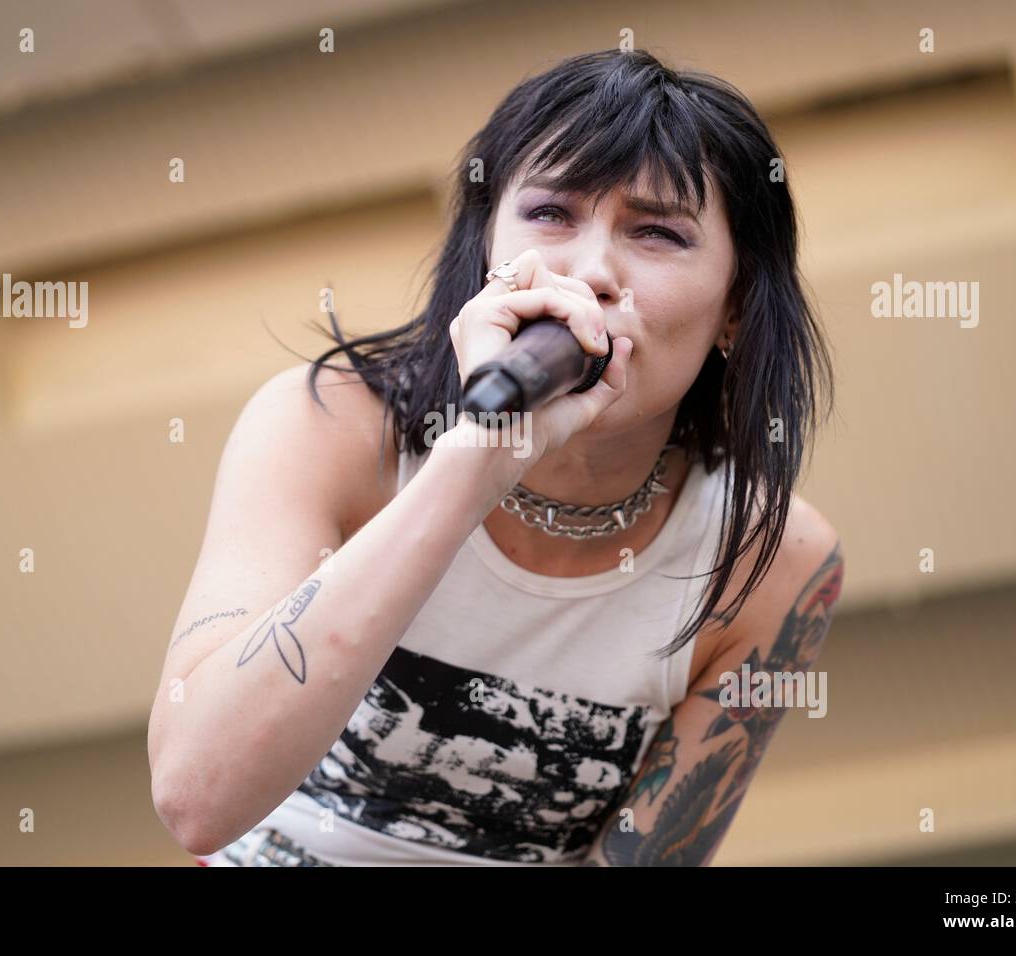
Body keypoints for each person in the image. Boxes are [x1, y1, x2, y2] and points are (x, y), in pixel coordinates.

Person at [148, 48, 844, 867]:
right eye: (551, 215)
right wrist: (478, 455)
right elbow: (196, 795)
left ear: (734, 308)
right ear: (486, 250)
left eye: (657, 233)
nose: (591, 272)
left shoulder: (773, 562)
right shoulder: (326, 428)